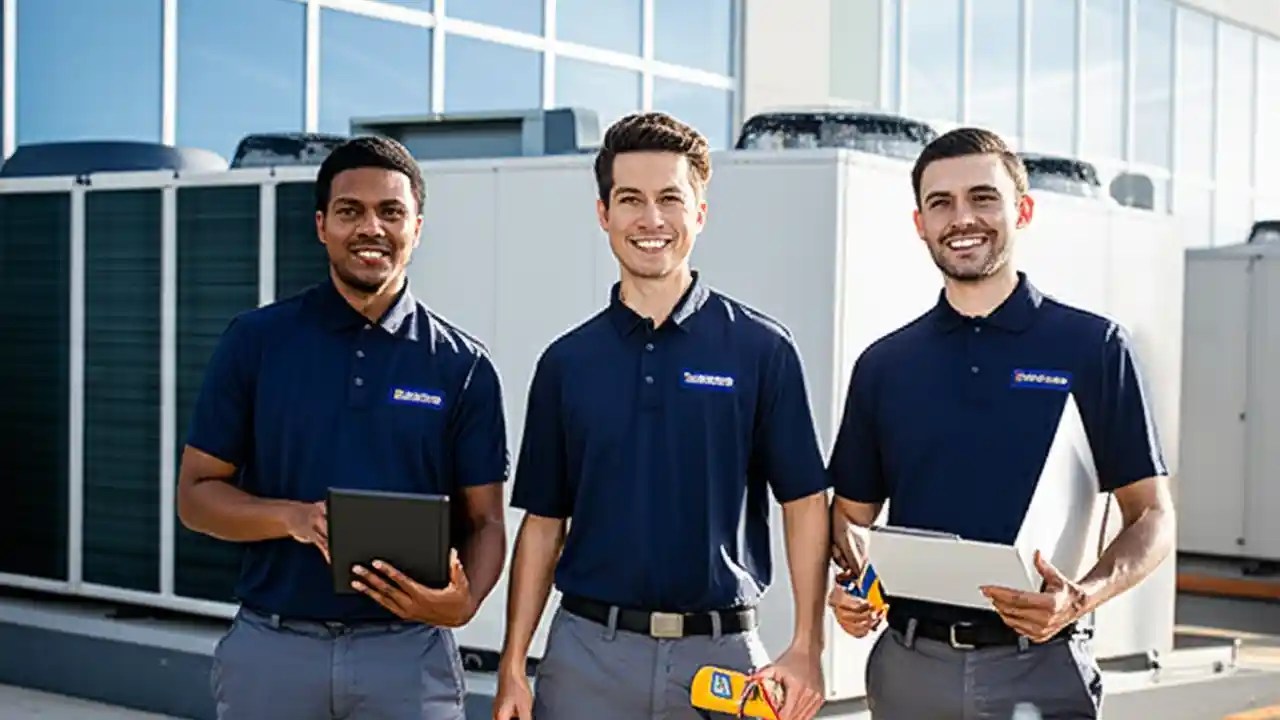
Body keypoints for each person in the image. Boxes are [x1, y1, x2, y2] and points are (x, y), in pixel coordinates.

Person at [826, 127, 1176, 719]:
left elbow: (1153, 515)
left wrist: (1082, 596)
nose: (963, 218)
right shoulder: (886, 365)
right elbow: (850, 520)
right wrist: (855, 591)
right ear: (920, 225)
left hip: (1041, 667)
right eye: (941, 203)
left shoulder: (1091, 347)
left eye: (983, 198)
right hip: (910, 670)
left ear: (1024, 209)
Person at [491, 111, 830, 720]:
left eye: (671, 199)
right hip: (586, 658)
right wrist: (513, 663)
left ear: (700, 212)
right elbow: (542, 523)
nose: (652, 220)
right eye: (631, 200)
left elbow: (804, 503)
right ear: (604, 215)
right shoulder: (567, 363)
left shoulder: (761, 350)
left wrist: (808, 645)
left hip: (723, 660)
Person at [176, 136, 510, 720]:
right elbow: (196, 498)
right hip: (272, 654)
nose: (371, 228)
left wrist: (464, 603)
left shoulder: (463, 366)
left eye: (391, 212)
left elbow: (485, 521)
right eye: (350, 211)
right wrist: (293, 519)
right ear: (321, 225)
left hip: (408, 659)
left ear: (417, 227)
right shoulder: (256, 343)